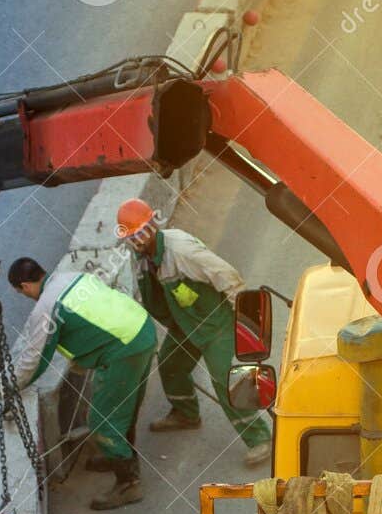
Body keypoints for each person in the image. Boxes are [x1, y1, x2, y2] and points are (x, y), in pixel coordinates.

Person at [0, 258, 155, 511]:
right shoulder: (73, 277)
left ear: (25, 286)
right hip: (141, 328)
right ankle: (117, 456)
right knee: (123, 409)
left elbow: (33, 362)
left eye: (21, 292)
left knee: (103, 421)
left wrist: (1, 388)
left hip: (124, 349)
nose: (25, 296)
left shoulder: (46, 308)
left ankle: (129, 483)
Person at [115, 198, 273, 467]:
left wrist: (244, 323)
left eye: (138, 235)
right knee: (170, 365)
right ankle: (186, 413)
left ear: (152, 226)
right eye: (131, 238)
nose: (135, 242)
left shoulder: (181, 252)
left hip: (216, 324)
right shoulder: (143, 258)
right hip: (186, 324)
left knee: (227, 381)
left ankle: (260, 438)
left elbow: (227, 276)